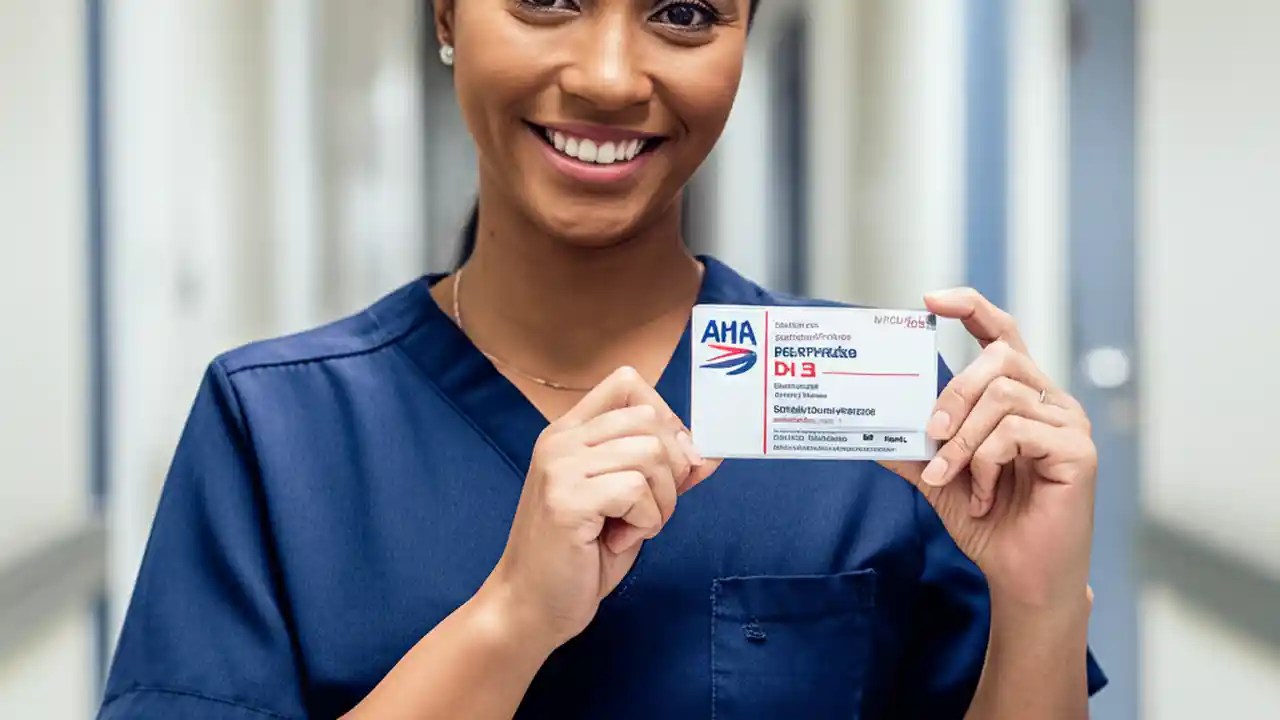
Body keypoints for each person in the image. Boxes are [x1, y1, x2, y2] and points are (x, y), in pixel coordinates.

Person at [98, 0, 1107, 717]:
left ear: (745, 36)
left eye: (682, 12)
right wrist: (511, 619)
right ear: (445, 14)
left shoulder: (881, 415)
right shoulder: (277, 428)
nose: (610, 76)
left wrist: (1038, 604)